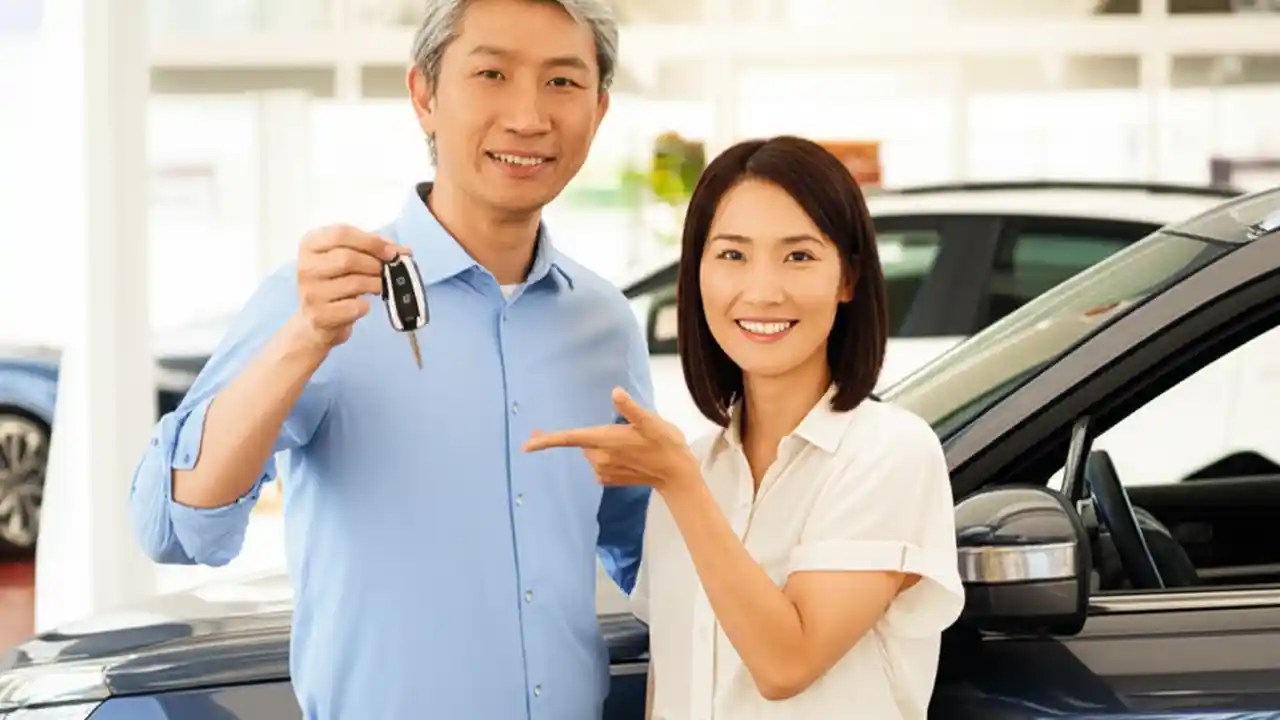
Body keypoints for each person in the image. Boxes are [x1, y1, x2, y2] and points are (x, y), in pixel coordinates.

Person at [128, 1, 652, 718]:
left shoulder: (604, 323)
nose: (529, 117)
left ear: (599, 109)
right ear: (424, 94)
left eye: (562, 82)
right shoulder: (320, 299)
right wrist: (304, 340)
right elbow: (174, 527)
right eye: (492, 74)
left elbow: (645, 551)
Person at [524, 135, 965, 719]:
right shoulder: (693, 466)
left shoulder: (888, 452)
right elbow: (673, 685)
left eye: (799, 257)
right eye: (732, 255)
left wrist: (681, 486)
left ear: (848, 278)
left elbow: (786, 663)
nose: (762, 292)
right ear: (697, 274)